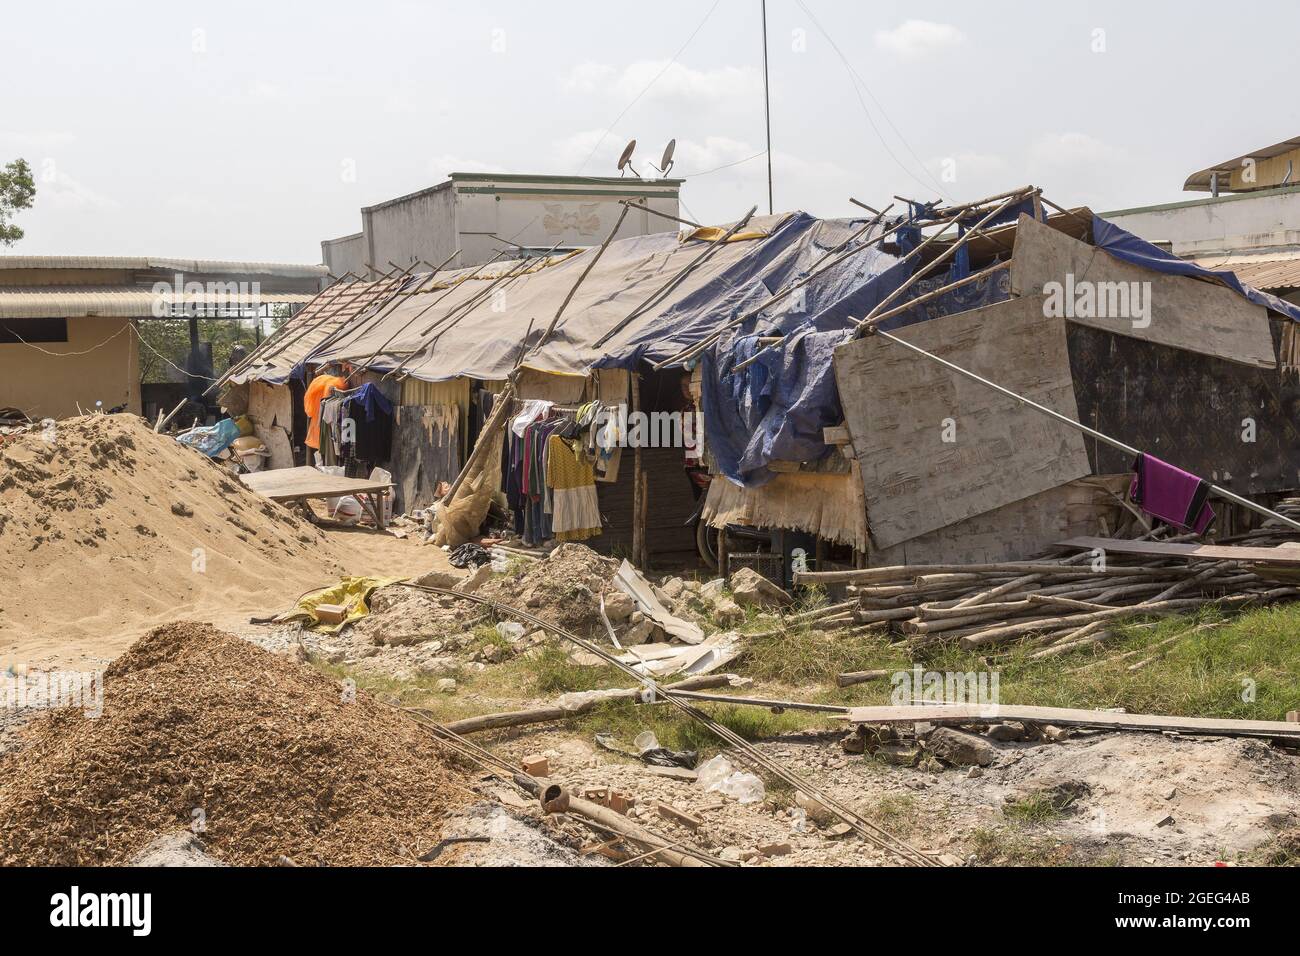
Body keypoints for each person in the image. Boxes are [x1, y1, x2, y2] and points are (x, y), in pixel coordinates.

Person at [303, 365, 349, 453]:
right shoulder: (332, 384)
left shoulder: (321, 381)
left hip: (321, 411)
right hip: (323, 412)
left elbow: (309, 401)